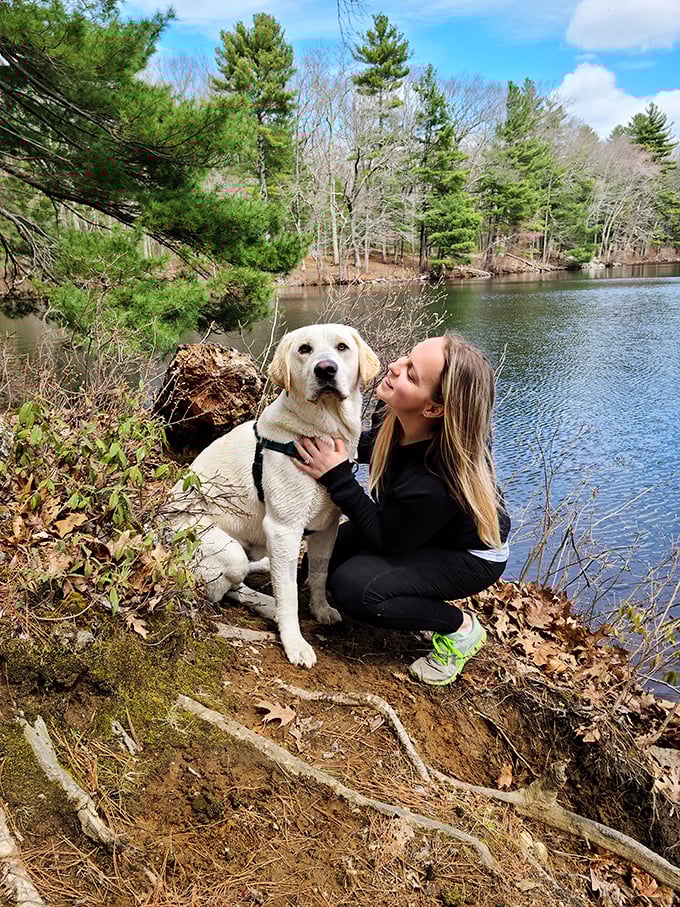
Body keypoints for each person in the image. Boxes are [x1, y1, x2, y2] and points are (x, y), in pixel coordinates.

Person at [294, 333, 510, 685]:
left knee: (355, 589)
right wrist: (325, 442)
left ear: (433, 409)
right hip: (414, 528)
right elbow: (368, 445)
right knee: (326, 556)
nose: (395, 367)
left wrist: (337, 477)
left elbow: (387, 539)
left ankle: (459, 629)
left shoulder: (436, 479)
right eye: (407, 358)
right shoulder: (394, 412)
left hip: (468, 556)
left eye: (411, 374)